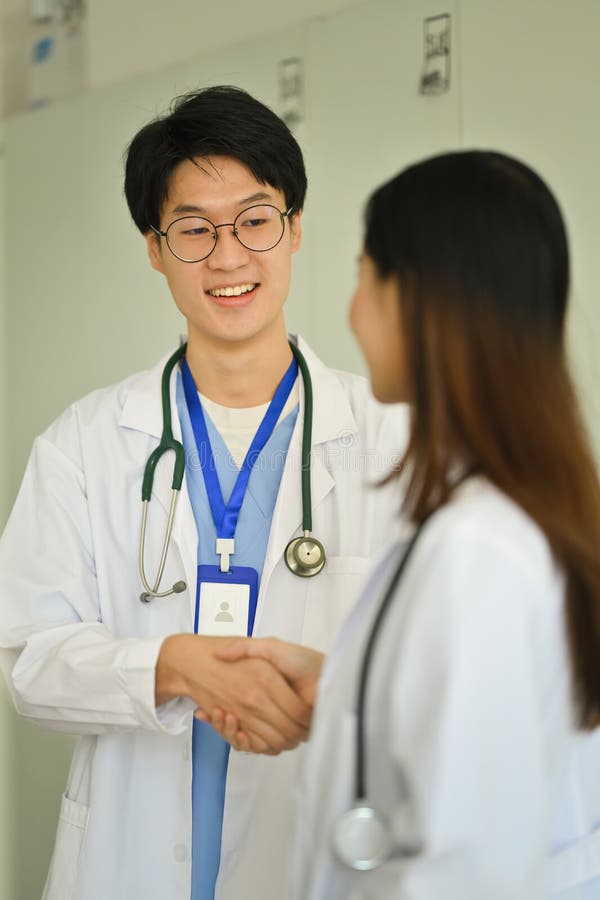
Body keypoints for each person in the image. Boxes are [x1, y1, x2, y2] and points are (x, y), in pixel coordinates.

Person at [0, 86, 405, 900]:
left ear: (294, 228)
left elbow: (453, 664)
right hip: (128, 862)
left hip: (319, 853)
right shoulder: (84, 445)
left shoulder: (396, 437)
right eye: (193, 230)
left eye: (255, 220)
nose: (227, 257)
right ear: (154, 248)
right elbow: (27, 661)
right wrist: (167, 666)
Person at [209, 150, 600, 898]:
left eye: (363, 275)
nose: (353, 309)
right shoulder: (515, 515)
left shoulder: (480, 551)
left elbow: (463, 869)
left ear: (413, 300)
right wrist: (351, 691)